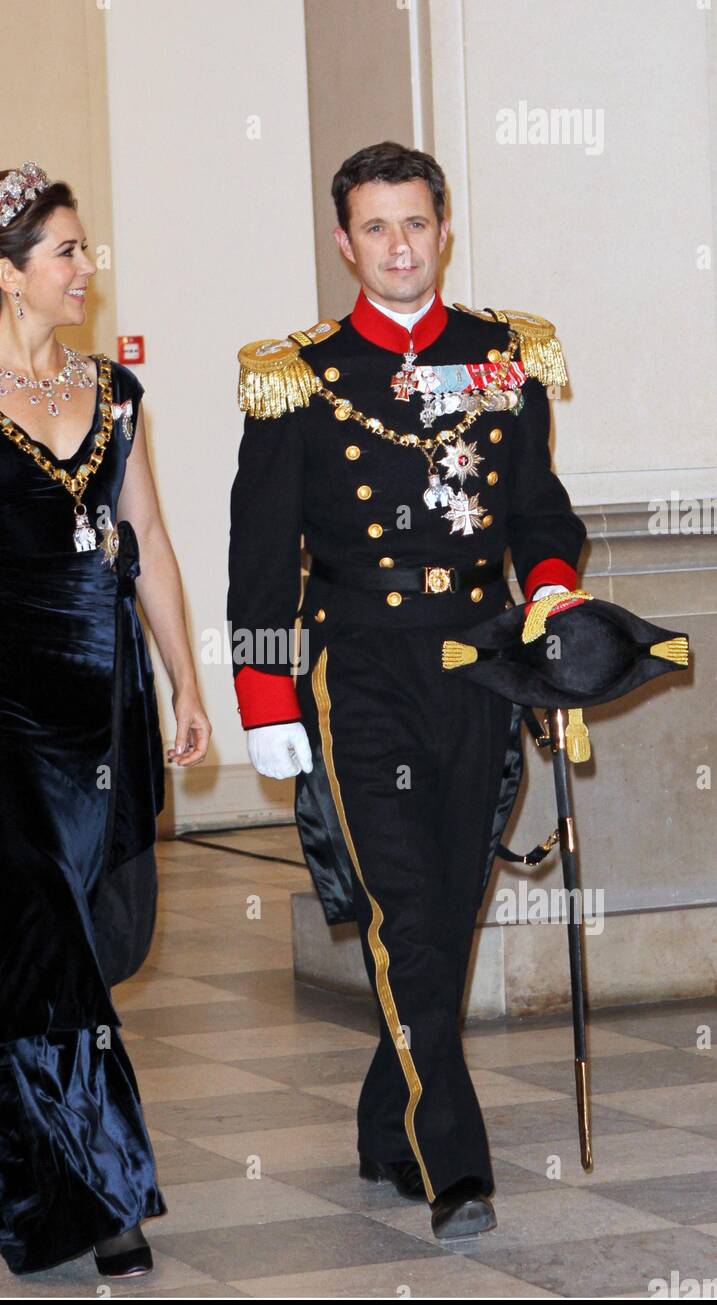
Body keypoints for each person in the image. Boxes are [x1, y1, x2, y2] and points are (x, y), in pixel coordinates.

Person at [227, 142, 587, 1242]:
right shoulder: (300, 372)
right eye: (374, 228)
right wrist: (265, 696)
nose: (398, 246)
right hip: (363, 672)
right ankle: (455, 1166)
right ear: (345, 241)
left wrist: (556, 598)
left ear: (442, 227)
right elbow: (258, 551)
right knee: (404, 912)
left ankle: (389, 1122)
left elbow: (537, 512)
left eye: (415, 224)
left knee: (447, 906)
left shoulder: (501, 355)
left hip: (480, 663)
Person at [0, 162, 211, 1278]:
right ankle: (101, 1189)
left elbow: (151, 542)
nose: (85, 266)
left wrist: (188, 682)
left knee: (51, 946)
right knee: (49, 943)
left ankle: (2, 1169)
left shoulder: (116, 396)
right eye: (65, 249)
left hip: (102, 704)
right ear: (9, 274)